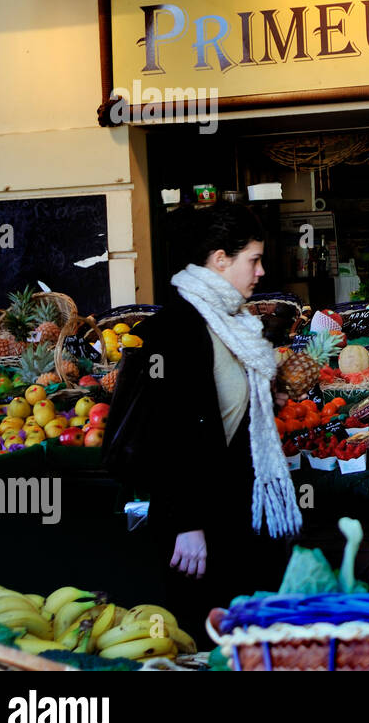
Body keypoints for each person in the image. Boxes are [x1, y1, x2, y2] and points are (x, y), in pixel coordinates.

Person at [103, 204, 302, 643]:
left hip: (235, 514)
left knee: (243, 640)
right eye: (253, 259)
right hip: (197, 530)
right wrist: (185, 524)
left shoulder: (233, 322)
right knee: (199, 639)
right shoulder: (176, 328)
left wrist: (265, 397)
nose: (262, 271)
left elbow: (221, 410)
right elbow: (166, 431)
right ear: (219, 259)